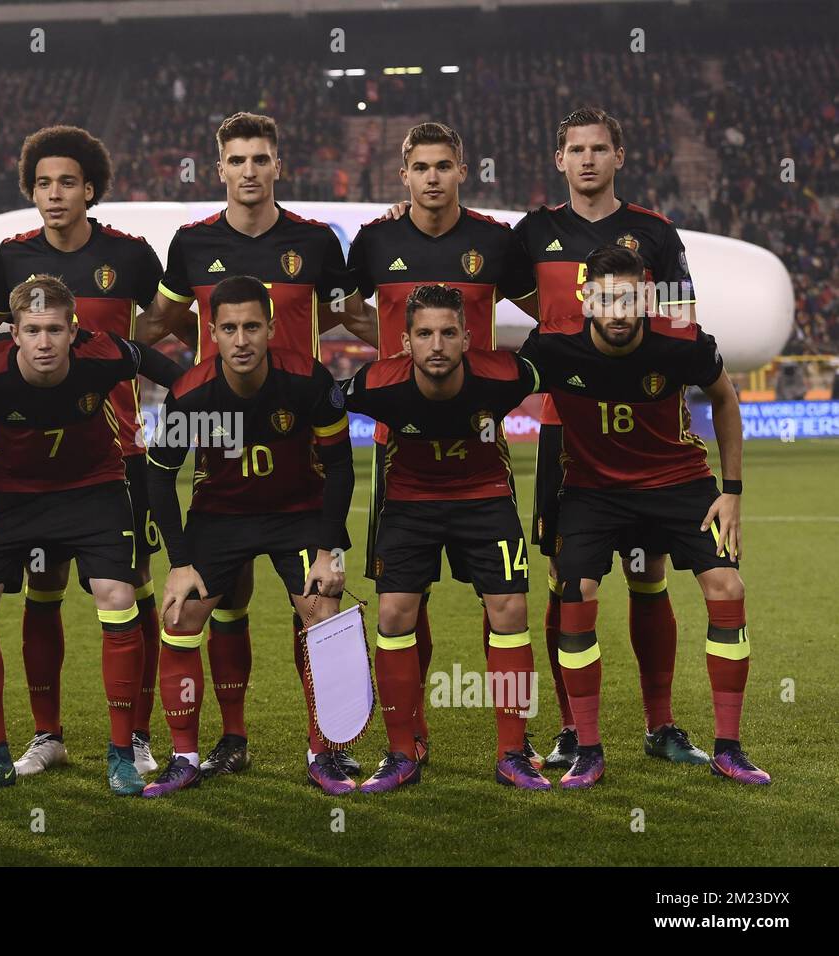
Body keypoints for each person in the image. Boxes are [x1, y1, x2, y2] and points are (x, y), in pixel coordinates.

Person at [137, 111, 375, 779]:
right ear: (220, 169)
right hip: (220, 434)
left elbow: (352, 315)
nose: (249, 171)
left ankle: (325, 748)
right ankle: (227, 741)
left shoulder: (315, 242)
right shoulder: (190, 244)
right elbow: (158, 322)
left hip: (298, 422)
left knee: (316, 605)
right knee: (222, 601)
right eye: (236, 161)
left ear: (278, 165)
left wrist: (415, 351)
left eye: (260, 159)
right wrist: (100, 352)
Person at [517, 244, 768, 788]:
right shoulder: (554, 346)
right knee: (574, 591)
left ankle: (729, 748)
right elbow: (494, 385)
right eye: (605, 298)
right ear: (588, 300)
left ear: (647, 299)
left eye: (629, 298)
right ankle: (587, 749)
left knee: (727, 586)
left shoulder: (681, 343)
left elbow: (725, 399)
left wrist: (733, 492)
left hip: (678, 484)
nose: (617, 311)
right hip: (592, 490)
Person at [0, 276, 183, 797]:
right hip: (8, 495)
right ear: (14, 334)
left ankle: (121, 754)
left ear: (74, 331)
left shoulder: (105, 353)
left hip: (93, 490)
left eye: (54, 330)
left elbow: (179, 377)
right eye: (31, 330)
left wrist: (167, 438)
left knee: (119, 595)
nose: (44, 342)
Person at [513, 107, 706, 770]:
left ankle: (661, 725)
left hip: (645, 433)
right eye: (576, 149)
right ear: (559, 160)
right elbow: (495, 291)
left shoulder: (654, 231)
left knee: (649, 574)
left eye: (599, 148)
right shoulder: (534, 232)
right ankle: (572, 729)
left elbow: (683, 321)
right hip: (565, 429)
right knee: (567, 581)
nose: (588, 159)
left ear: (618, 155)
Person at [0, 126, 166, 777]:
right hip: (29, 462)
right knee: (42, 587)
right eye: (42, 183)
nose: (54, 194)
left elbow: (169, 321)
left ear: (90, 188)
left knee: (132, 590)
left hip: (116, 458)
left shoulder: (132, 258)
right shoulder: (8, 260)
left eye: (66, 182)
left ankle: (136, 735)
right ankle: (47, 734)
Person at [143, 276, 355, 797]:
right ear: (211, 331)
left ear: (271, 328)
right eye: (230, 328)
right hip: (221, 517)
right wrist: (180, 561)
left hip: (298, 514)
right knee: (180, 612)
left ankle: (323, 752)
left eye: (252, 327)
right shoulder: (189, 394)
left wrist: (329, 551)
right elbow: (157, 475)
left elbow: (341, 465)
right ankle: (186, 756)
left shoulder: (307, 380)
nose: (241, 340)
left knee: (322, 611)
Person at [341, 284, 548, 791]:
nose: (437, 344)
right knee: (393, 614)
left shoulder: (506, 374)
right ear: (405, 342)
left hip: (485, 496)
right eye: (425, 333)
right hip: (409, 503)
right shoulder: (375, 383)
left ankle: (512, 753)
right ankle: (399, 752)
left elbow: (565, 365)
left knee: (511, 611)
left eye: (448, 333)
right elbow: (316, 404)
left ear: (467, 338)